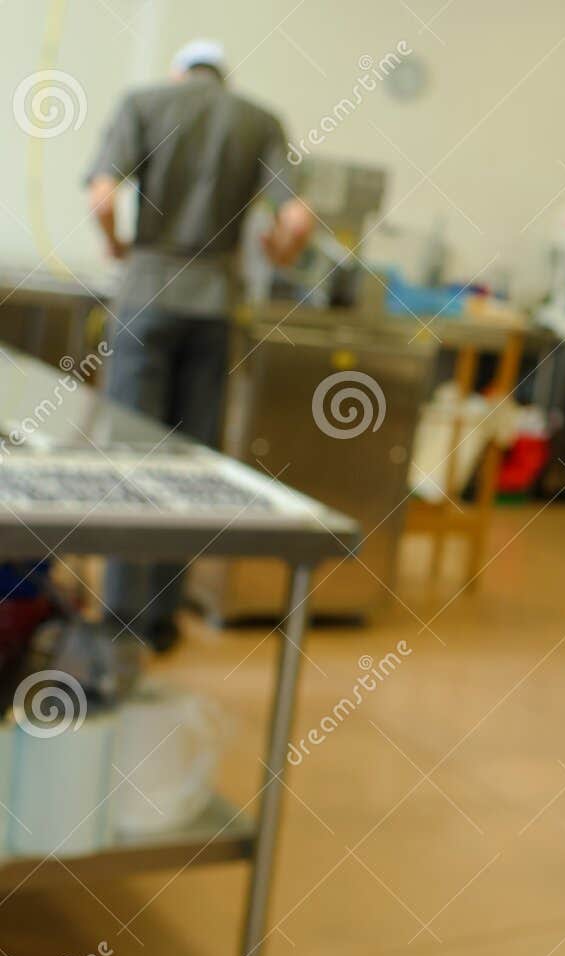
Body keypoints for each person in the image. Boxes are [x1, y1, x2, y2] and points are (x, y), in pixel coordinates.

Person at [85, 38, 314, 652]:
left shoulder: (143, 102)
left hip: (147, 291)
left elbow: (102, 195)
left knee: (133, 454)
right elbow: (297, 219)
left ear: (179, 72)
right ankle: (163, 619)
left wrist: (116, 245)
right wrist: (278, 252)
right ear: (222, 78)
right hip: (214, 304)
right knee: (188, 461)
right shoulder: (259, 120)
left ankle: (122, 619)